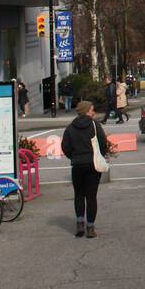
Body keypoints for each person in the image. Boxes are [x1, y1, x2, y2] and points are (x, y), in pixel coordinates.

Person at [59, 101, 107, 238]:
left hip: (77, 165)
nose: (94, 112)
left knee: (79, 195)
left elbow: (65, 147)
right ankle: (90, 227)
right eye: (92, 110)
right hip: (92, 164)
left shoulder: (70, 127)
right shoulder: (94, 125)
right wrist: (99, 156)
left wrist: (73, 156)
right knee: (91, 196)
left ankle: (80, 223)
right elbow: (103, 143)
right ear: (86, 111)